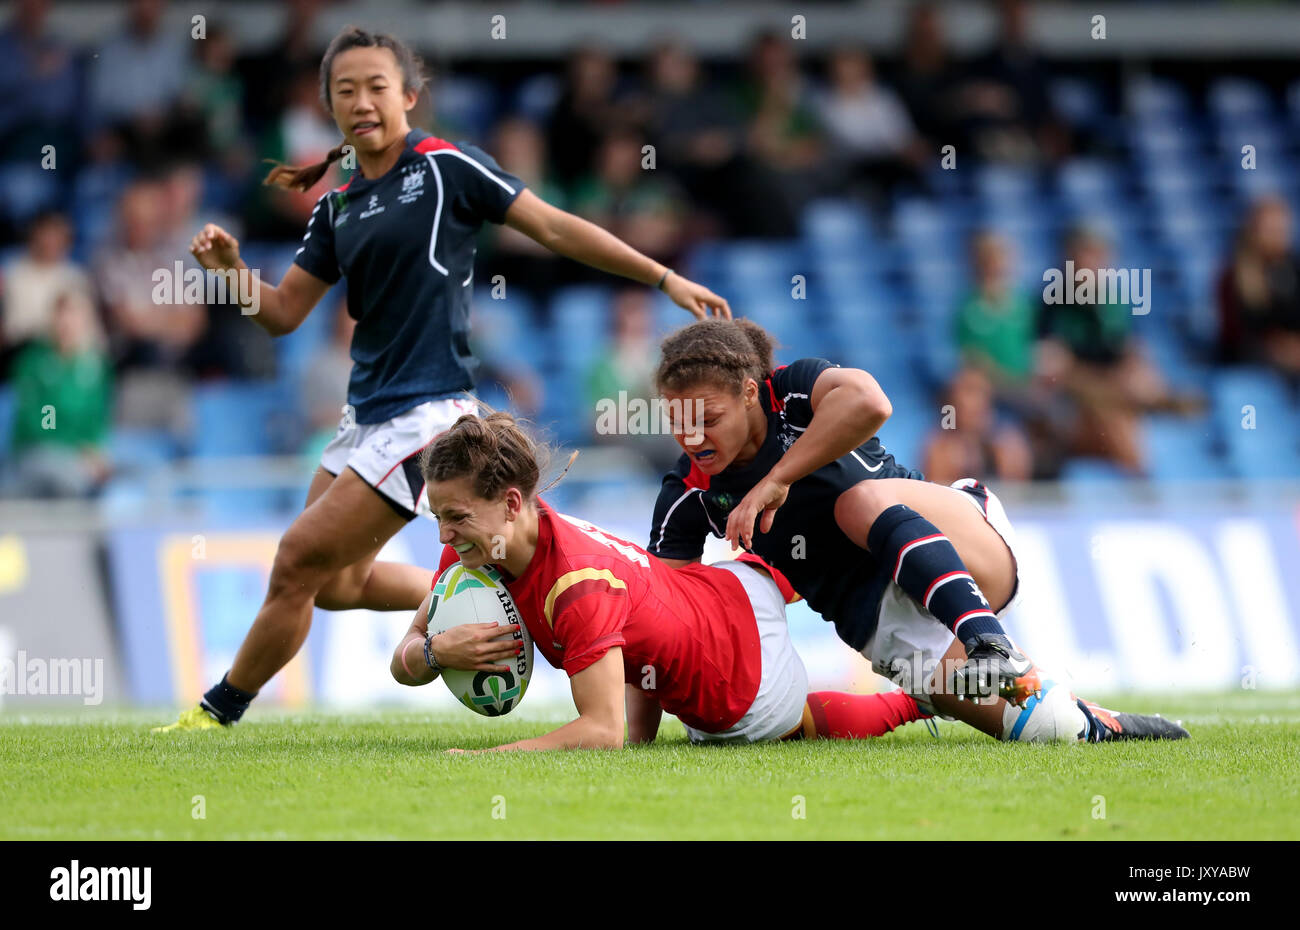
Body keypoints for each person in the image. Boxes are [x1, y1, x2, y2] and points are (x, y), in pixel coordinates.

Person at [154, 26, 729, 732]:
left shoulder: (443, 167)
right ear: (329, 107)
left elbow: (551, 227)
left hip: (426, 414)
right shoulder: (336, 208)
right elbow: (280, 316)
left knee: (296, 558)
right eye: (345, 91)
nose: (362, 101)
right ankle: (488, 592)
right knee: (335, 586)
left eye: (376, 87)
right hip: (362, 417)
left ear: (409, 96)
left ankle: (216, 715)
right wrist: (234, 277)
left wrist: (663, 275)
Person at [646, 318, 1189, 743]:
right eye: (678, 421)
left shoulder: (793, 391)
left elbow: (872, 402)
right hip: (884, 621)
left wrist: (776, 480)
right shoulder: (687, 494)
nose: (692, 437)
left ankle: (989, 644)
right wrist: (637, 737)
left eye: (707, 418)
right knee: (1047, 727)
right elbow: (654, 621)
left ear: (747, 392)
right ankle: (1095, 721)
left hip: (953, 542)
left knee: (859, 502)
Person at [391, 411, 926, 749]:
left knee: (802, 724)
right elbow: (404, 660)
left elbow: (603, 733)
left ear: (510, 504)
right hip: (729, 586)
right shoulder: (481, 547)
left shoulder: (576, 584)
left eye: (455, 517)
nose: (442, 535)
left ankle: (920, 697)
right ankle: (944, 528)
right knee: (818, 553)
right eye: (438, 516)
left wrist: (485, 759)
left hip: (736, 679)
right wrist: (437, 652)